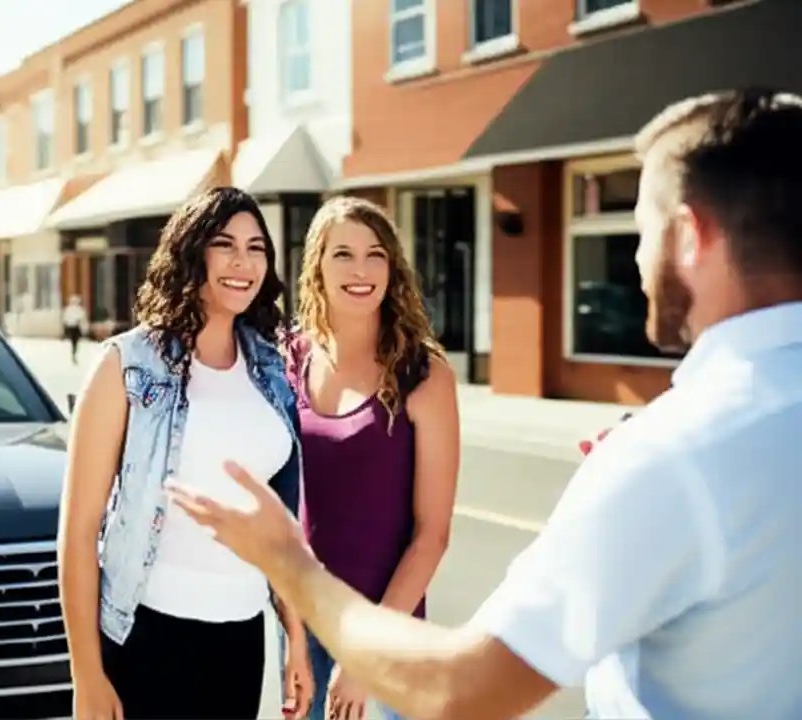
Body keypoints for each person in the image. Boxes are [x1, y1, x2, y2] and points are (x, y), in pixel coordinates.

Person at [166, 88, 802, 720]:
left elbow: (461, 690)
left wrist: (289, 565)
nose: (635, 260)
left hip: (377, 646)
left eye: (640, 231)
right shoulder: (674, 453)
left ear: (691, 236)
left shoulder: (669, 456)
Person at [57, 187, 314, 719]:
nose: (243, 262)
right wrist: (86, 676)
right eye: (225, 244)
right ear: (191, 252)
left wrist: (296, 637)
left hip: (242, 636)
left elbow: (281, 524)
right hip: (148, 634)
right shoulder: (126, 366)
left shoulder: (272, 370)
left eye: (256, 248)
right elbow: (78, 532)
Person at [283, 196, 459, 720]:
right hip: (305, 628)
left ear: (392, 268)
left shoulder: (424, 375)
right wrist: (292, 629)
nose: (360, 271)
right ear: (317, 264)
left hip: (390, 641)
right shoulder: (289, 358)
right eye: (343, 254)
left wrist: (367, 655)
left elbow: (433, 534)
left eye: (374, 255)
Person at [63, 294, 89, 363]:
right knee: (75, 341)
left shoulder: (77, 310)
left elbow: (65, 319)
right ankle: (74, 352)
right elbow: (66, 319)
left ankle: (74, 352)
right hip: (74, 327)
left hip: (74, 327)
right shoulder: (72, 309)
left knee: (74, 341)